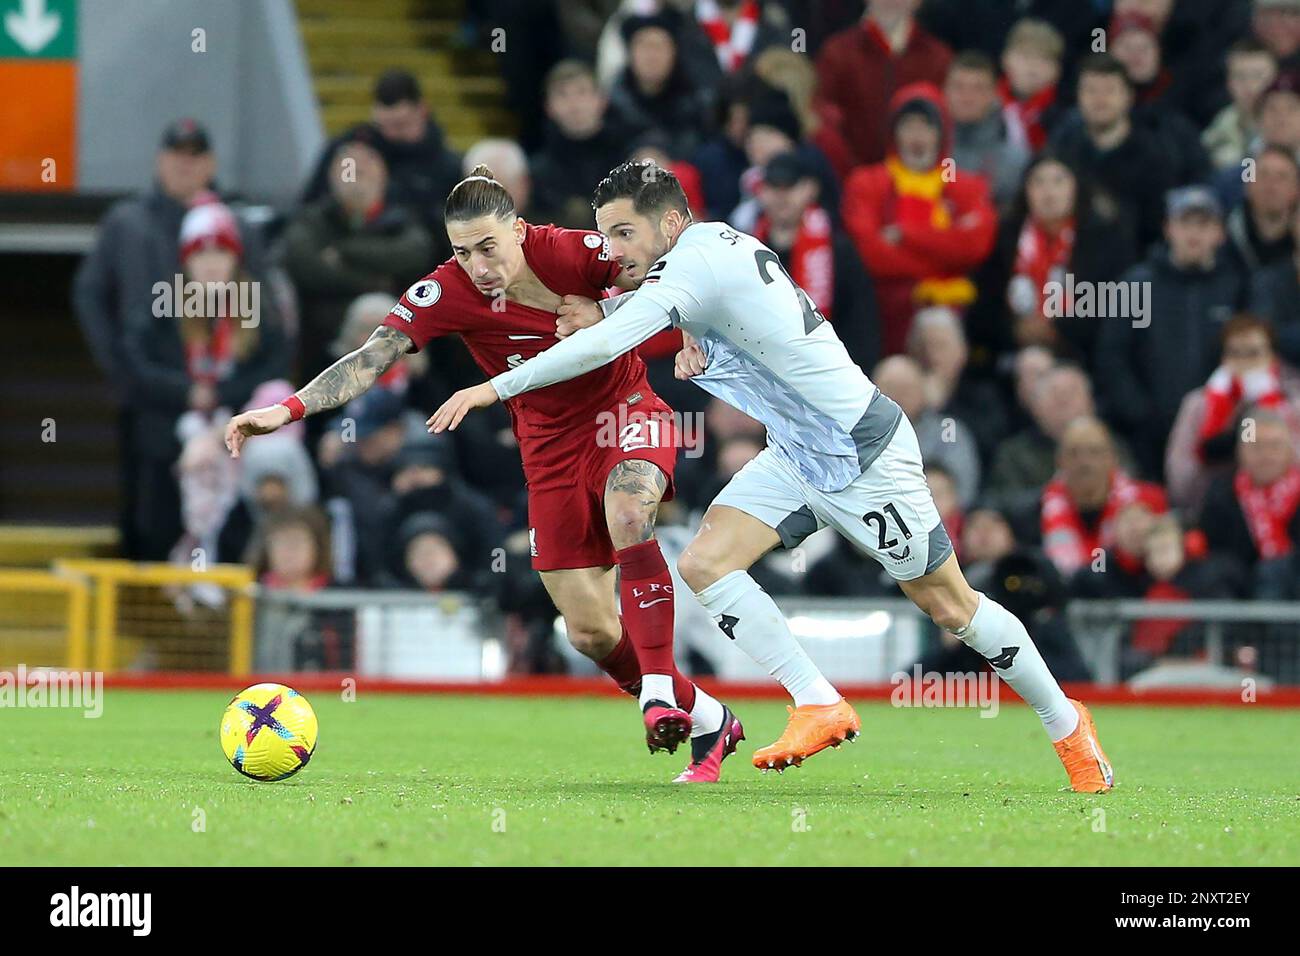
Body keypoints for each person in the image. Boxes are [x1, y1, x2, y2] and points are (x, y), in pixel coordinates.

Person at [430, 160, 1115, 792]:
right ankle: (817, 700)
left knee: (950, 607)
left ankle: (1067, 727)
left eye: (624, 233)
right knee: (704, 563)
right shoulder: (706, 253)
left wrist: (492, 390)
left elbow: (612, 341)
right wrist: (681, 334)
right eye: (606, 234)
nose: (611, 251)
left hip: (863, 453)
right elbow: (699, 313)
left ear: (670, 223)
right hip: (797, 452)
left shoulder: (689, 268)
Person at [227, 165, 739, 784]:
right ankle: (707, 714)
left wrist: (638, 316)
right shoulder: (446, 292)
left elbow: (673, 263)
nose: (477, 265)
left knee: (630, 511)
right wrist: (286, 409)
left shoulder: (572, 251)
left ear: (518, 230)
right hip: (547, 447)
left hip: (624, 412)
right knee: (589, 630)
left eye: (488, 247)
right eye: (462, 252)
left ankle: (658, 688)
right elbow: (372, 358)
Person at [1094, 186, 1248, 478]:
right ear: (1168, 229)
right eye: (1184, 223)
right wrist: (1141, 414)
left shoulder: (1235, 285)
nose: (1194, 233)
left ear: (1220, 233)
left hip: (1218, 431)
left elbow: (1249, 351)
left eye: (1204, 224)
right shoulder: (1136, 284)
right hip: (1148, 434)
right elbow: (1111, 357)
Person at [841, 82, 997, 355]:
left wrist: (906, 235)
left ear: (942, 133)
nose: (917, 136)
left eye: (926, 126)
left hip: (957, 315)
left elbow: (975, 247)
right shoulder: (867, 183)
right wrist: (943, 267)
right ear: (893, 133)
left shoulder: (965, 185)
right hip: (880, 313)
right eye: (908, 126)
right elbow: (871, 255)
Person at [283, 134, 434, 379]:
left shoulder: (403, 219)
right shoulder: (312, 219)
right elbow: (307, 267)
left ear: (383, 173)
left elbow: (414, 254)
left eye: (367, 164)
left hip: (399, 337)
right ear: (332, 175)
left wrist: (344, 251)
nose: (357, 170)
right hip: (326, 345)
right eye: (349, 165)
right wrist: (375, 282)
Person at [1166, 313, 1300, 516]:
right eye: (1236, 353)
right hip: (1219, 508)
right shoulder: (1198, 404)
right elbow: (1180, 475)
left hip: (1287, 509)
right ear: (1223, 358)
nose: (1244, 362)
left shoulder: (1292, 401)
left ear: (1271, 357)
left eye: (1254, 353)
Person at [814, 0, 953, 168]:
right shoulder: (837, 53)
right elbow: (824, 120)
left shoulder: (938, 57)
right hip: (852, 177)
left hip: (924, 180)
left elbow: (948, 123)